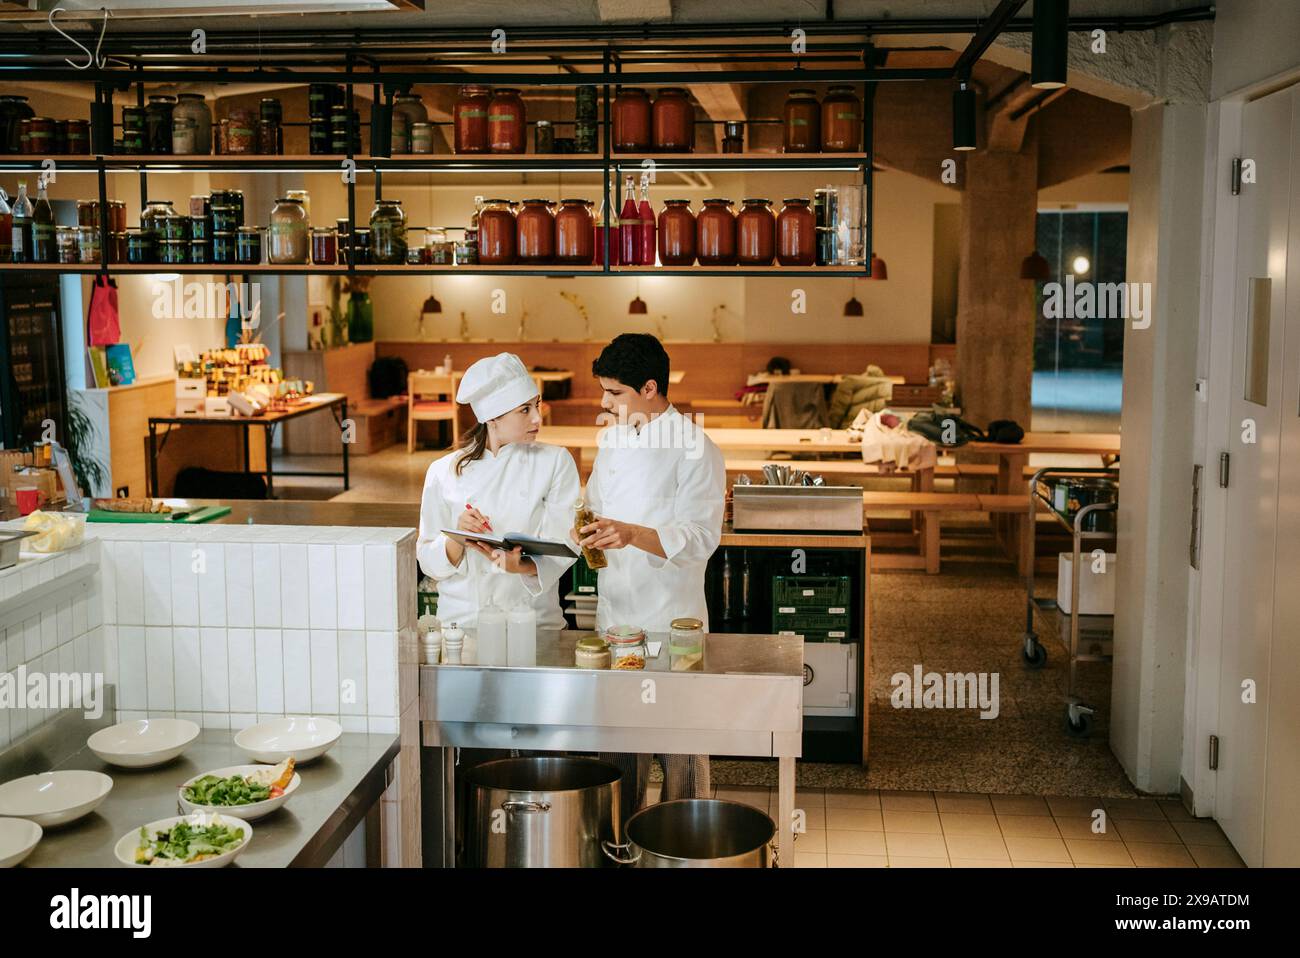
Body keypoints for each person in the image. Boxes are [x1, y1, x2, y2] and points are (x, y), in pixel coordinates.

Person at [575, 333, 726, 813]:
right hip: (617, 616)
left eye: (614, 392)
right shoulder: (613, 441)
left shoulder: (697, 447)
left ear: (649, 387)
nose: (604, 402)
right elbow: (594, 505)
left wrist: (631, 533)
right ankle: (617, 841)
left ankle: (688, 839)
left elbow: (700, 537)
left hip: (671, 619)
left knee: (681, 745)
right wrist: (582, 528)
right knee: (620, 748)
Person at [417, 352, 579, 629]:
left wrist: (520, 566)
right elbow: (428, 563)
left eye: (537, 405)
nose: (537, 418)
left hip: (534, 622)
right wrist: (457, 538)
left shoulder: (555, 462)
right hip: (463, 624)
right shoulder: (443, 471)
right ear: (492, 418)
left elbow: (565, 546)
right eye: (524, 410)